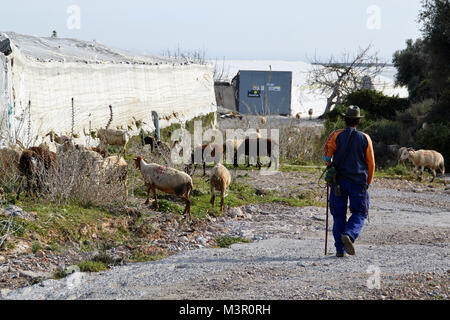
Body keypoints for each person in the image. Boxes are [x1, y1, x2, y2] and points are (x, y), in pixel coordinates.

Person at [323, 105, 375, 257]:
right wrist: (368, 182)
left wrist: (331, 165)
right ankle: (350, 234)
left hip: (338, 181)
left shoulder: (335, 135)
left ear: (344, 119)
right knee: (360, 212)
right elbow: (371, 163)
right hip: (358, 182)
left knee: (338, 214)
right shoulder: (365, 138)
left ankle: (339, 250)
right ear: (358, 121)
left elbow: (327, 158)